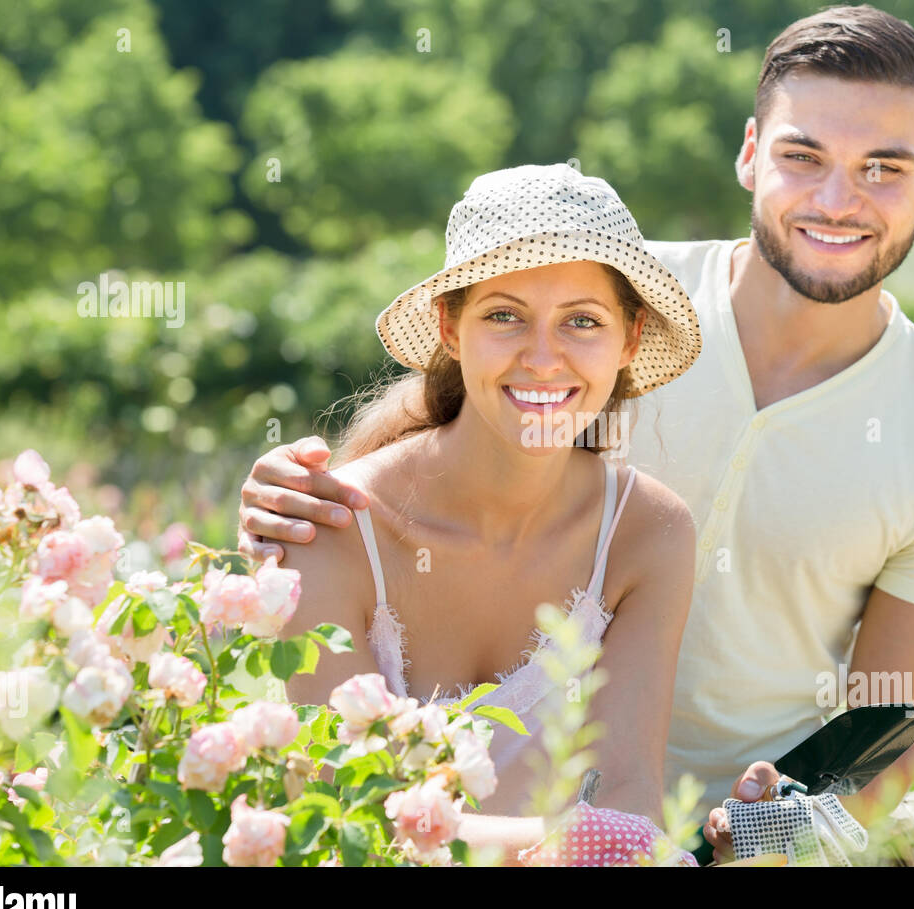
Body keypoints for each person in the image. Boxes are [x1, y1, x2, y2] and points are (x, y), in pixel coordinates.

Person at [240, 5, 914, 865]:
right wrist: (306, 487)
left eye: (883, 167)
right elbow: (455, 410)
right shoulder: (605, 294)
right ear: (751, 151)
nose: (838, 200)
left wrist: (754, 837)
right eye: (803, 155)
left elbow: (885, 740)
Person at [268, 163, 703, 865]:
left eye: (582, 322)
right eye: (504, 315)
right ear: (449, 326)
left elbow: (626, 789)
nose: (541, 357)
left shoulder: (649, 533)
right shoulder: (333, 527)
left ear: (628, 341)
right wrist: (572, 844)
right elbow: (342, 812)